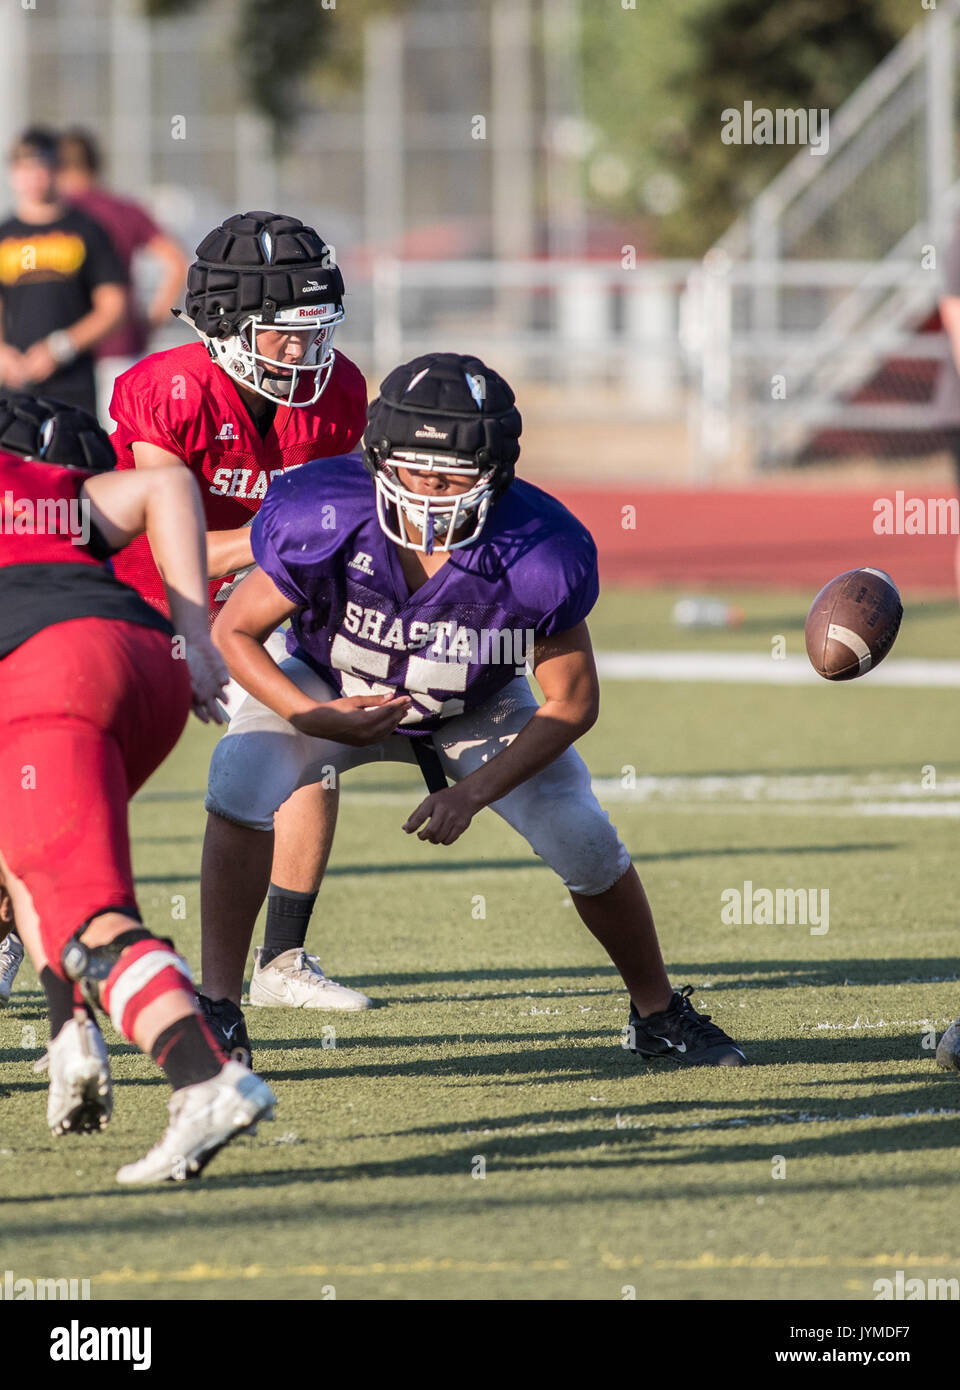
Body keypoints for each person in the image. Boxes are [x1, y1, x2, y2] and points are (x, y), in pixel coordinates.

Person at [201, 352, 747, 1069]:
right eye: (413, 468)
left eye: (451, 474)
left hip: (475, 705)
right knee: (238, 777)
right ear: (377, 457)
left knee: (582, 835)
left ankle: (658, 1012)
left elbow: (573, 700)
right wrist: (309, 715)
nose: (428, 490)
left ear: (496, 472)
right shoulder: (320, 510)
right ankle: (219, 1012)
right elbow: (232, 631)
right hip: (332, 683)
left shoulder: (541, 550)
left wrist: (472, 793)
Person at [107, 210, 371, 1057]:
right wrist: (294, 534)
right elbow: (168, 536)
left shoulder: (340, 389)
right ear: (223, 328)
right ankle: (13, 922)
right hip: (154, 603)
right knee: (87, 770)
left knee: (311, 739)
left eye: (318, 331)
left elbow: (327, 528)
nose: (309, 354)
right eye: (285, 335)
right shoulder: (168, 388)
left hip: (270, 601)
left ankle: (281, 958)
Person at [0, 390, 276, 1182]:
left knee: (91, 917)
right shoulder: (39, 489)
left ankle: (205, 1078)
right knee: (40, 866)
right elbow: (163, 485)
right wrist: (196, 635)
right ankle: (72, 1036)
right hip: (147, 660)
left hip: (50, 672)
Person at [56, 127, 189, 411]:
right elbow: (177, 262)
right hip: (122, 347)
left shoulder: (59, 216)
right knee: (119, 447)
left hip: (62, 354)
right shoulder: (123, 210)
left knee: (63, 448)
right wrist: (152, 320)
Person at [0, 128, 126, 416]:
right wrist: (3, 355)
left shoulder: (86, 230)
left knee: (71, 460)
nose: (33, 176)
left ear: (56, 169)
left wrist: (60, 348)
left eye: (40, 166)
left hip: (72, 386)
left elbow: (114, 308)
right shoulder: (4, 234)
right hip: (14, 386)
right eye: (23, 168)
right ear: (12, 173)